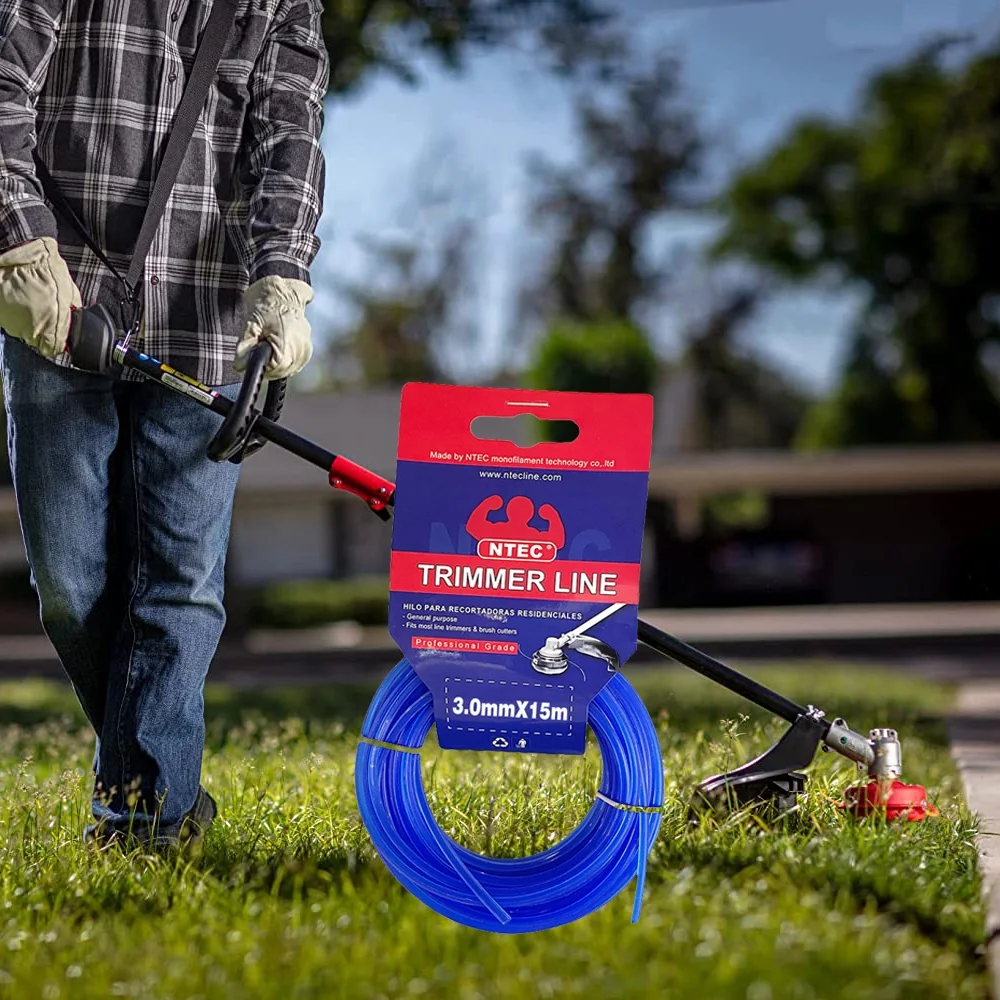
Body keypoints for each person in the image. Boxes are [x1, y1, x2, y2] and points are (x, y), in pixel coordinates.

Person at [0, 0, 329, 849]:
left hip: (207, 315)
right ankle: (160, 777)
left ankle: (147, 816)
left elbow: (289, 140)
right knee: (71, 587)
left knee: (178, 585)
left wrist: (282, 277)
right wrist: (19, 243)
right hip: (61, 306)